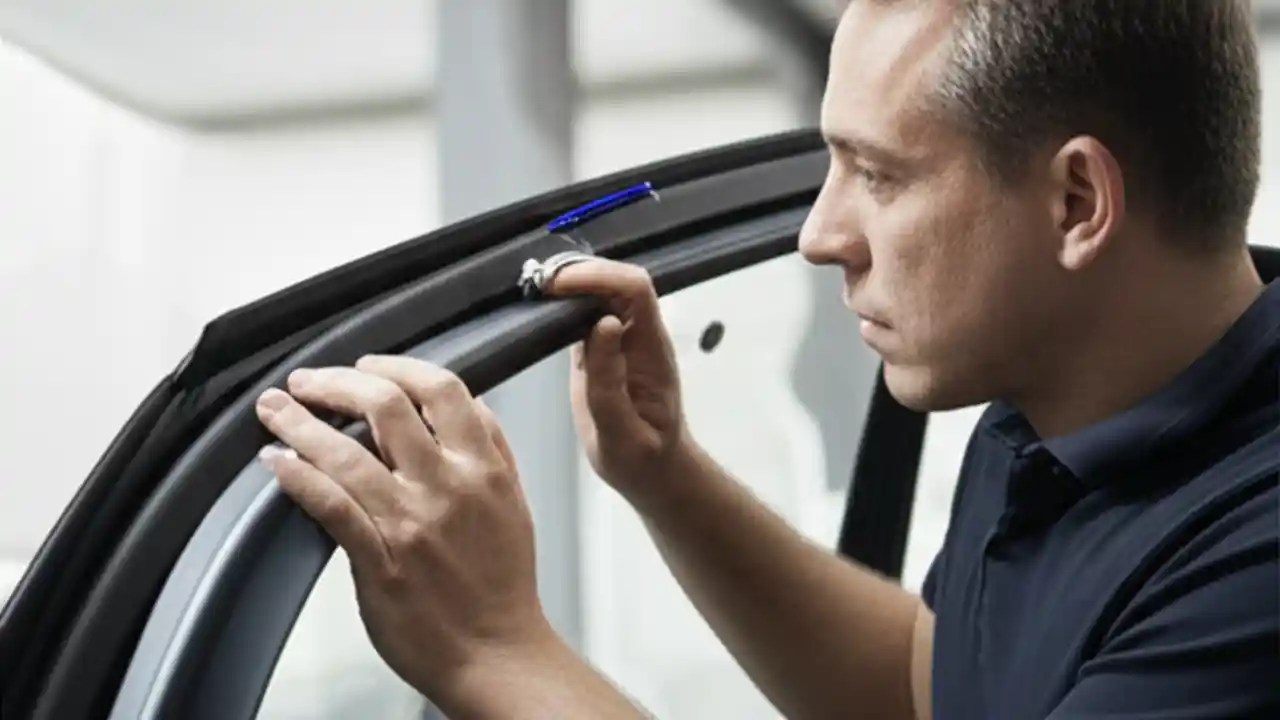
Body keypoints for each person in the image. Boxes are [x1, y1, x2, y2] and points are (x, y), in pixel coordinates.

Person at [253, 0, 1279, 717]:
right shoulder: (1054, 407)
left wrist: (492, 647)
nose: (819, 234)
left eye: (875, 174)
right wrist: (668, 477)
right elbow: (923, 687)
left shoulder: (1254, 570)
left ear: (1073, 205)